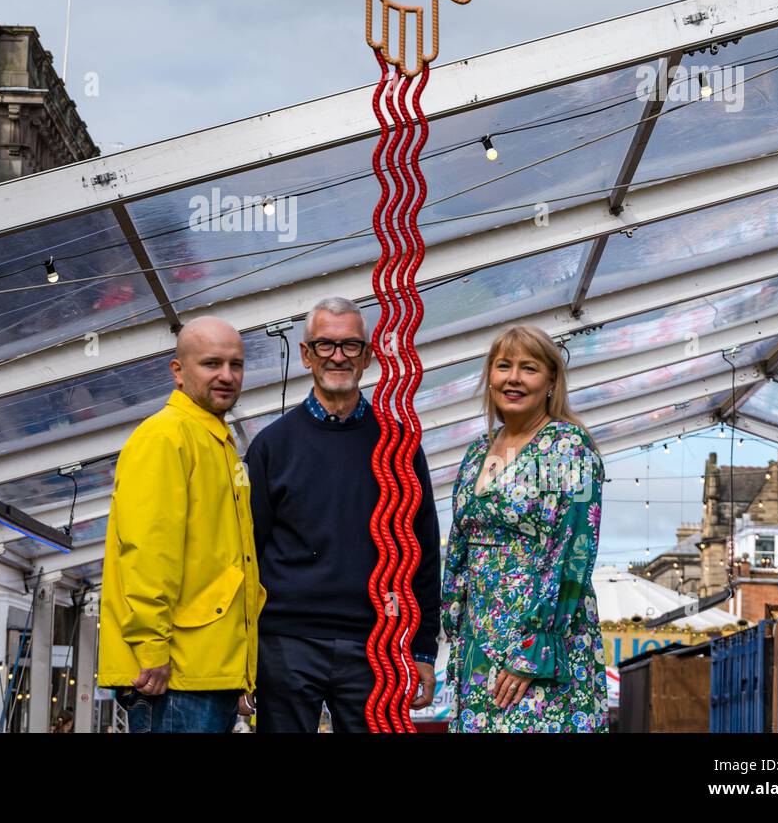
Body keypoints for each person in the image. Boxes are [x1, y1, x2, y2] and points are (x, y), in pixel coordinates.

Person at [247, 297, 441, 733]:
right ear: (305, 354)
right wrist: (242, 652)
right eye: (325, 345)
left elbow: (424, 552)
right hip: (286, 643)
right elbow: (246, 557)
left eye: (351, 346)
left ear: (368, 356)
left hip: (377, 646)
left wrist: (423, 649)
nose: (338, 356)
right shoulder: (271, 447)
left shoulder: (400, 448)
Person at [97, 316, 264, 733]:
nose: (226, 376)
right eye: (211, 364)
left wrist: (243, 670)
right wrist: (152, 647)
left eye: (236, 365)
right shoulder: (166, 437)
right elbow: (147, 550)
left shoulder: (215, 441)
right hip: (174, 675)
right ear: (178, 371)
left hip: (204, 668)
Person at [442, 324, 608, 733]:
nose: (513, 378)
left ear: (551, 381)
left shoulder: (568, 447)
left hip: (538, 648)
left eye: (528, 368)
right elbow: (459, 545)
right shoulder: (477, 451)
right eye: (503, 366)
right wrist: (453, 626)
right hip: (479, 645)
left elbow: (575, 553)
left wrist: (534, 651)